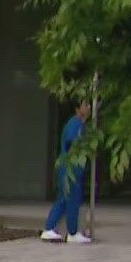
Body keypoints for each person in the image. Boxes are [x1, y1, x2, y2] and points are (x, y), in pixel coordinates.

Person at [40, 99, 92, 244]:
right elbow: (71, 144)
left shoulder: (78, 124)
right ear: (77, 108)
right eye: (85, 105)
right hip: (71, 167)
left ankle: (50, 228)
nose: (89, 108)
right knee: (72, 199)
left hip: (71, 167)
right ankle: (72, 232)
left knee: (64, 199)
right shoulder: (76, 124)